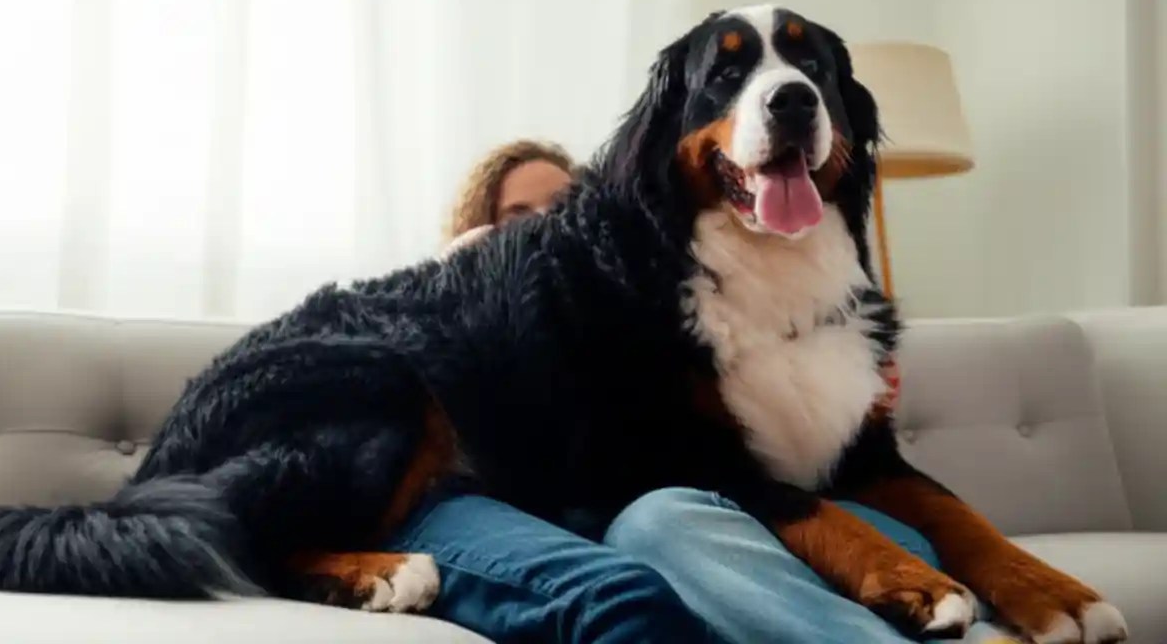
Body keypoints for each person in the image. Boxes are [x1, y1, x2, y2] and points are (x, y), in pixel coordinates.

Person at [386, 139, 1014, 644]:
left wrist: (846, 390)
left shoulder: (672, 313)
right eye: (514, 222)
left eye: (560, 209)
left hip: (794, 519)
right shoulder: (455, 347)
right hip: (689, 535)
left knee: (663, 524)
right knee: (655, 526)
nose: (541, 233)